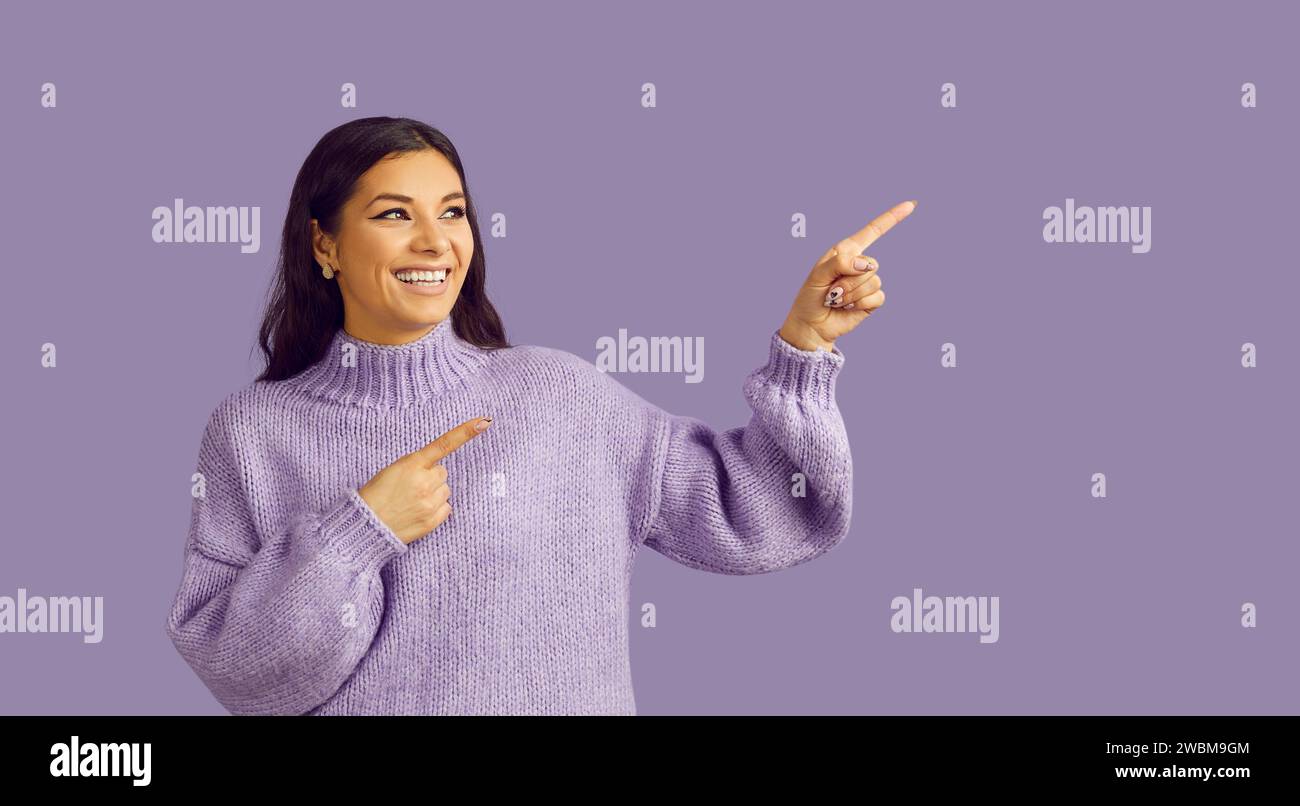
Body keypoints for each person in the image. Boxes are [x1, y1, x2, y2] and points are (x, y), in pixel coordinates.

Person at [164, 115, 916, 715]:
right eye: (395, 214)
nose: (435, 241)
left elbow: (771, 511)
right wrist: (361, 530)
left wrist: (804, 345)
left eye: (452, 212)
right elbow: (242, 676)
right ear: (324, 243)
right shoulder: (252, 431)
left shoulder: (561, 397)